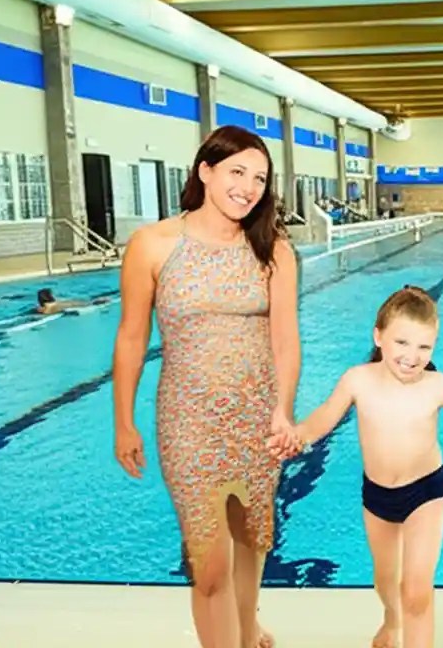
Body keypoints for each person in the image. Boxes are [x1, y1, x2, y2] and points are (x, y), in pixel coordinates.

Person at [112, 125, 300, 648]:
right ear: (206, 171)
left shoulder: (273, 249)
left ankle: (247, 625)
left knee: (251, 537)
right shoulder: (152, 245)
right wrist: (123, 421)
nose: (248, 187)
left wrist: (283, 412)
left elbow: (286, 340)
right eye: (237, 172)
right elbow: (130, 338)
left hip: (258, 418)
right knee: (210, 565)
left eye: (259, 178)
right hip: (188, 421)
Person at [269, 286, 443, 648]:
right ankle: (391, 620)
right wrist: (298, 437)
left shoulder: (437, 386)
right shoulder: (358, 379)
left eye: (424, 347)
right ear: (378, 337)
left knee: (416, 592)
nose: (412, 357)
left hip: (425, 492)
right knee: (384, 581)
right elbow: (324, 418)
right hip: (377, 496)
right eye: (402, 343)